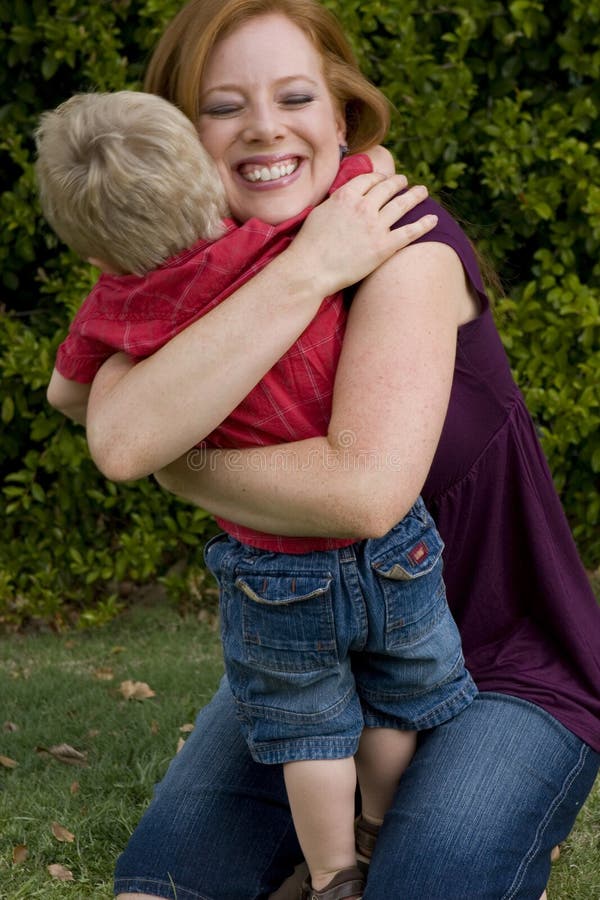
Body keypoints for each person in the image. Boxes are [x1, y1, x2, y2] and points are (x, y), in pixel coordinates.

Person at [60, 1, 600, 898]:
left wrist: (176, 450)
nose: (264, 126)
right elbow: (117, 434)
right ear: (175, 139)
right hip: (314, 642)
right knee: (157, 892)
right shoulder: (184, 274)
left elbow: (365, 495)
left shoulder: (402, 241)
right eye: (222, 105)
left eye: (295, 95)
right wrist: (309, 265)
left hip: (508, 657)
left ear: (338, 118)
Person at [38, 88, 474, 898]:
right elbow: (372, 168)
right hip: (389, 549)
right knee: (398, 699)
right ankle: (380, 828)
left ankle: (334, 872)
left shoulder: (117, 306)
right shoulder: (275, 235)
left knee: (309, 732)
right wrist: (365, 161)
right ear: (208, 182)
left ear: (94, 252)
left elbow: (70, 398)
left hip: (271, 569)